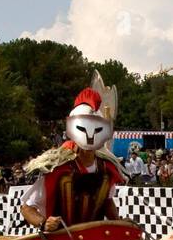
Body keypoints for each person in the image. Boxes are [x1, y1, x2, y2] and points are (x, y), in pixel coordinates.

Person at [20, 84, 124, 231]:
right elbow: (27, 208)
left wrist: (118, 222)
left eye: (96, 129)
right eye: (84, 129)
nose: (90, 136)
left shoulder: (107, 168)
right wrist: (43, 223)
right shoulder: (58, 168)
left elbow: (106, 201)